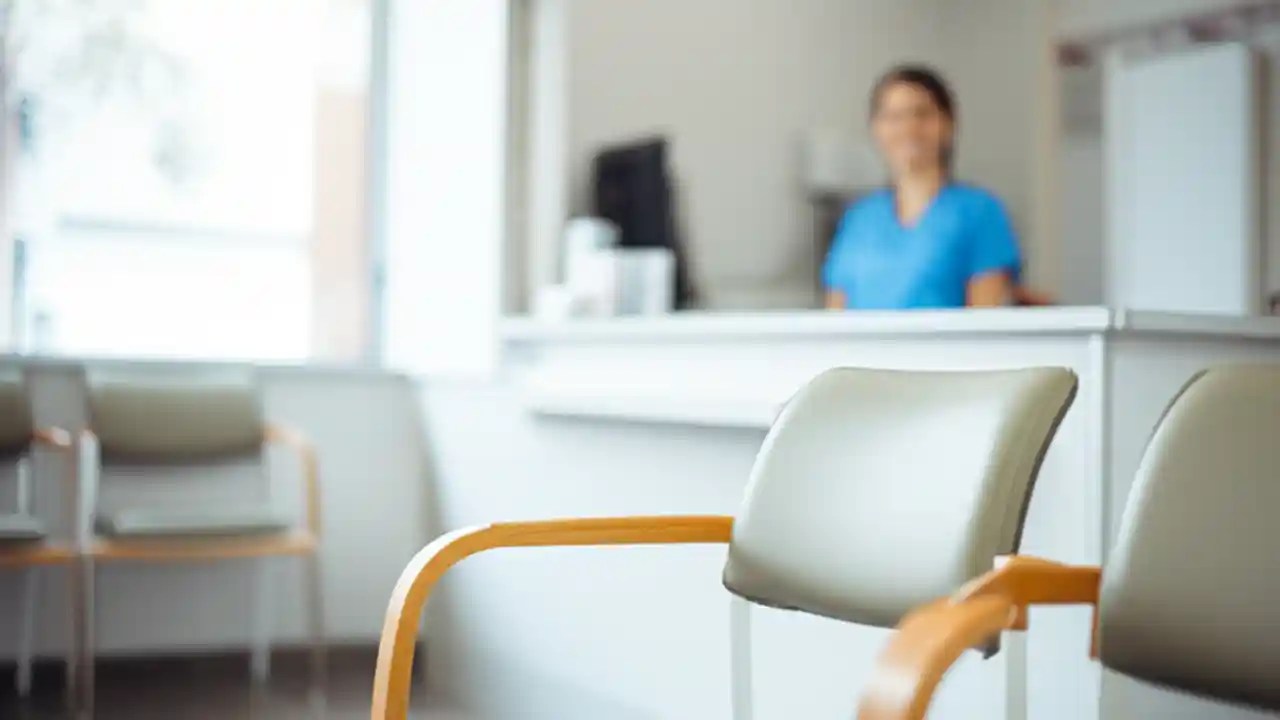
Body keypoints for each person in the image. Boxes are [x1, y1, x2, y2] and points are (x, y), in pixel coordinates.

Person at [823, 65, 1022, 310]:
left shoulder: (979, 212)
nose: (909, 128)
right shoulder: (859, 219)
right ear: (876, 129)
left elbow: (986, 321)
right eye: (894, 117)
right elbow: (835, 317)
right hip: (863, 350)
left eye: (922, 114)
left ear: (948, 123)